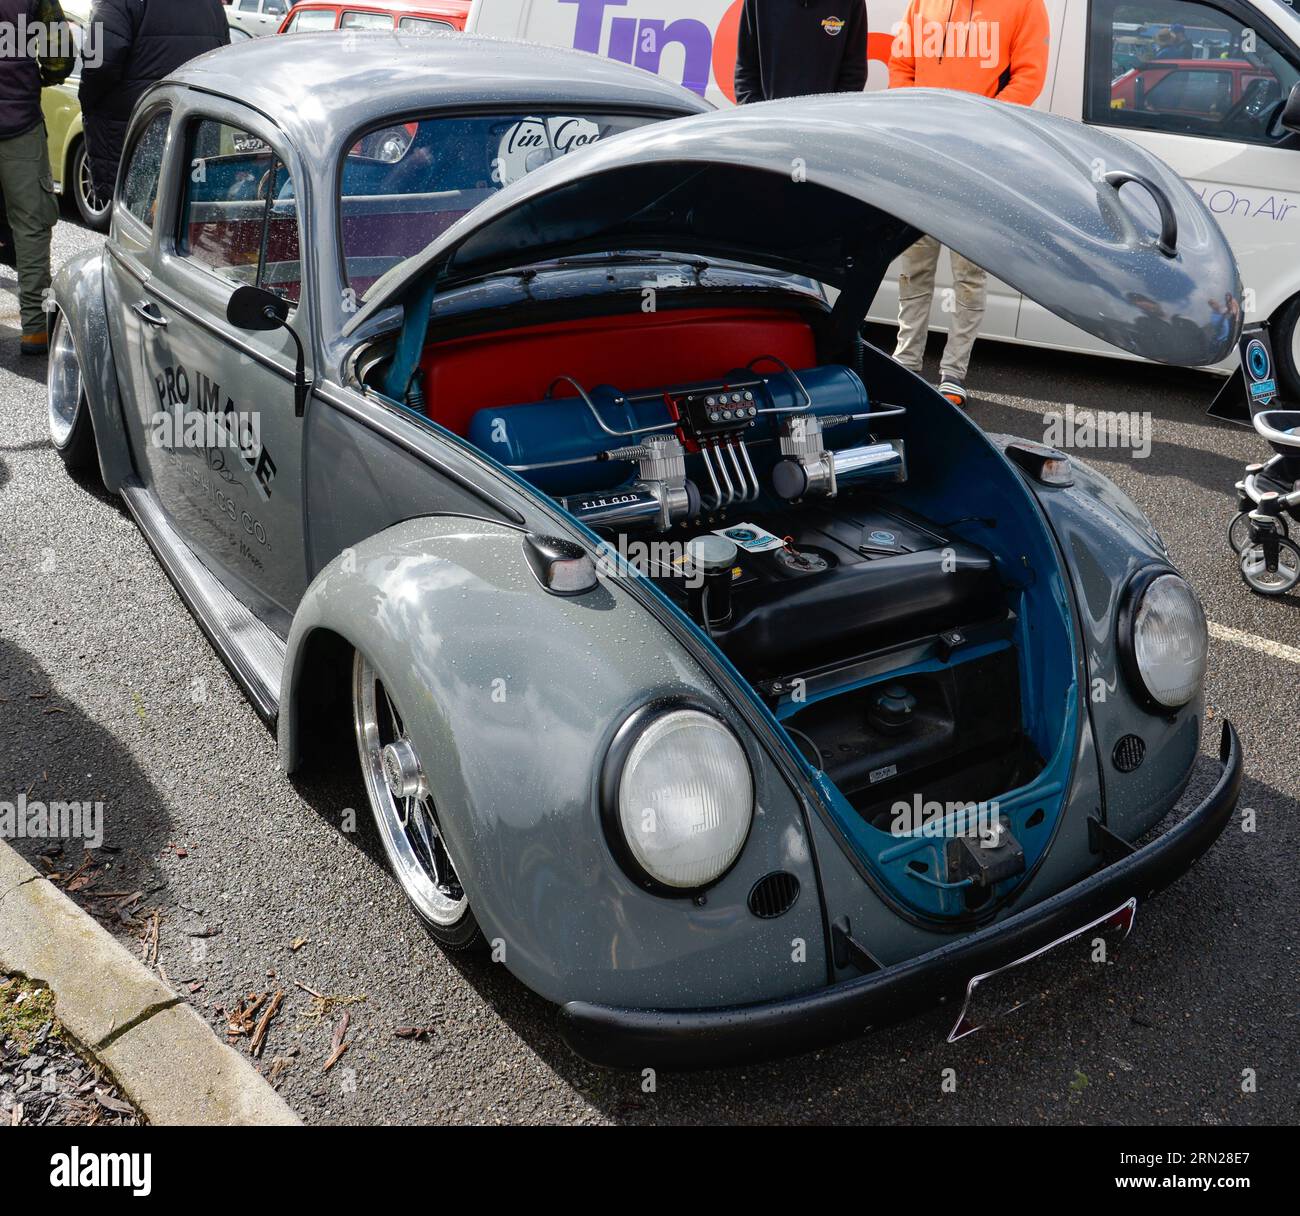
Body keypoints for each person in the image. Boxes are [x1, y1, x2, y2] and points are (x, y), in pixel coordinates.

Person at [888, 0, 1050, 406]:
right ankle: (906, 362)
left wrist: (974, 125)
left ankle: (953, 373)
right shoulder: (924, 3)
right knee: (914, 264)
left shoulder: (1025, 4)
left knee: (969, 272)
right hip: (922, 153)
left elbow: (1028, 78)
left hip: (979, 161)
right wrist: (922, 119)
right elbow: (901, 65)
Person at [79, 0, 228, 202]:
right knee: (182, 217)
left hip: (139, 129)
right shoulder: (212, 5)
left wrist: (87, 100)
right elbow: (222, 59)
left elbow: (98, 63)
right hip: (195, 128)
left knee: (134, 217)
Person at [0, 0, 73, 356]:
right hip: (19, 122)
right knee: (30, 225)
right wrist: (44, 77)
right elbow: (59, 53)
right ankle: (34, 329)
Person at [734, 0, 868, 104]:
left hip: (827, 129)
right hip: (770, 128)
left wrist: (831, 118)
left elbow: (854, 73)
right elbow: (745, 71)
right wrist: (762, 119)